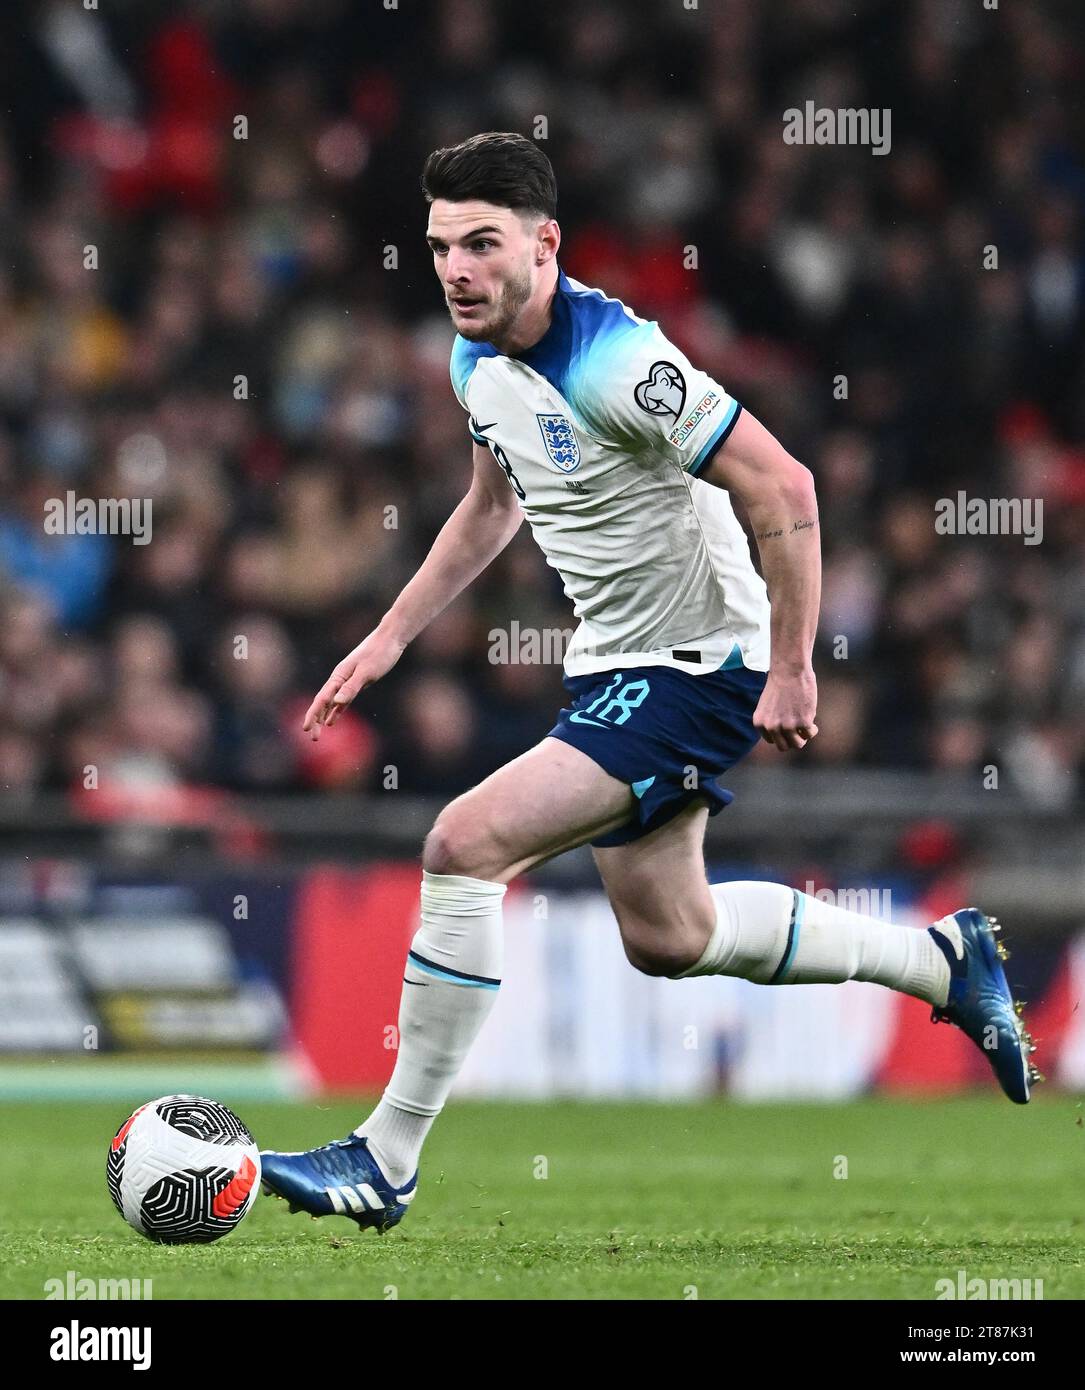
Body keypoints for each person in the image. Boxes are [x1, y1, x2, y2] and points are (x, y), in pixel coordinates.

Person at [260, 132, 1037, 1232]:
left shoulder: (621, 361)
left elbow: (784, 484)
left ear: (544, 244)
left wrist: (791, 664)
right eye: (439, 247)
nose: (455, 271)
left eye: (480, 244)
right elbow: (493, 503)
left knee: (461, 844)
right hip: (617, 665)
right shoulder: (473, 356)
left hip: (700, 665)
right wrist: (388, 634)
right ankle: (937, 958)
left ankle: (383, 1157)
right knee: (669, 936)